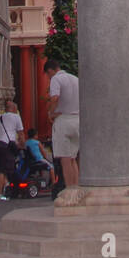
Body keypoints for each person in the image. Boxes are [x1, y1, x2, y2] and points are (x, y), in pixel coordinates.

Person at [44, 59, 80, 190]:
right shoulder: (75, 79)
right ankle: (76, 188)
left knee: (65, 159)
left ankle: (69, 189)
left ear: (50, 71)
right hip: (77, 119)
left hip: (63, 119)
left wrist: (51, 113)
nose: (48, 78)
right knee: (73, 158)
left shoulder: (56, 79)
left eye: (48, 75)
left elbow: (55, 98)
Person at [0, 98, 26, 201]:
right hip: (5, 145)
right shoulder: (16, 117)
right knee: (3, 170)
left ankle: (5, 186)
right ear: (14, 108)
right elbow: (21, 134)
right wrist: (22, 145)